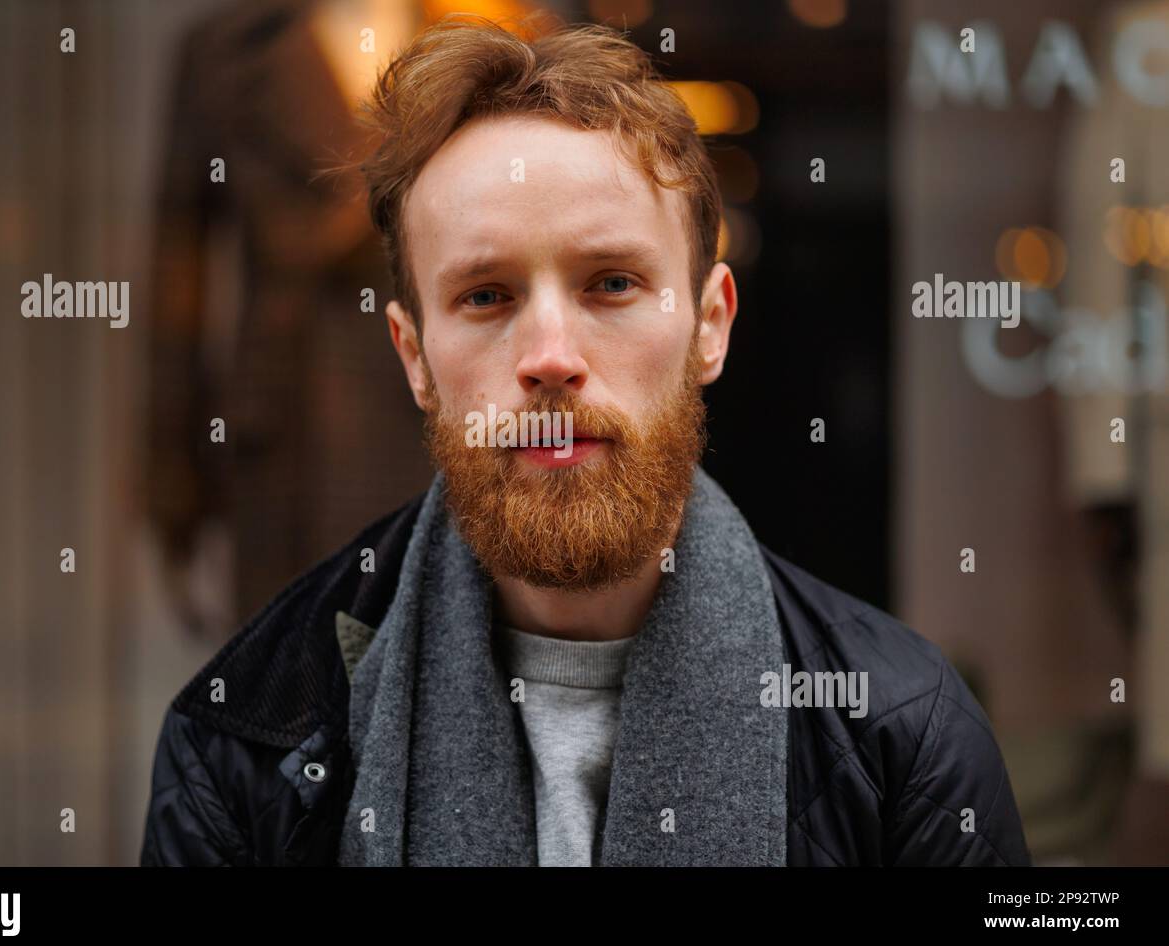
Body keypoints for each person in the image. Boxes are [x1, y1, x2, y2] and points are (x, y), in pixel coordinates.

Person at [140, 13, 1031, 866]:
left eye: (610, 284)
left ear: (711, 325)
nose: (551, 358)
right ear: (414, 358)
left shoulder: (904, 738)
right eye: (485, 296)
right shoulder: (241, 744)